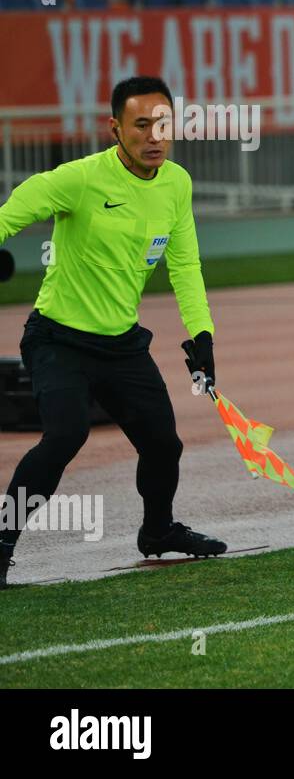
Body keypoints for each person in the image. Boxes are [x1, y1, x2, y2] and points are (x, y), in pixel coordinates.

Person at [0, 76, 227, 590]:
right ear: (115, 129)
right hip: (58, 339)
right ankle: (2, 542)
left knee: (164, 445)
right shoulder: (82, 179)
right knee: (65, 435)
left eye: (163, 124)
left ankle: (158, 531)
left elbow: (185, 265)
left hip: (122, 345)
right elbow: (18, 206)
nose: (155, 136)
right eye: (142, 124)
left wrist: (203, 335)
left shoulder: (176, 183)